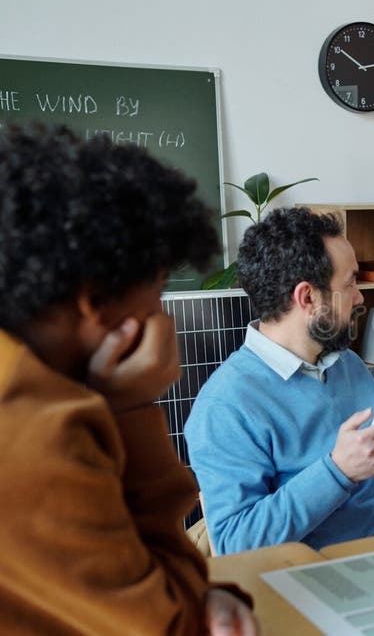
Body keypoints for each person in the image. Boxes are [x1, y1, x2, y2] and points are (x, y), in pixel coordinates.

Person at [0, 124, 257, 634]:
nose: (163, 312)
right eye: (158, 289)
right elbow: (173, 623)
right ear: (95, 302)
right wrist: (133, 408)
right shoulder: (38, 432)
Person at [185, 207, 374, 554]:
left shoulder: (348, 365)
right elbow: (235, 544)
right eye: (350, 283)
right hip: (301, 584)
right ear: (307, 298)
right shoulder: (225, 405)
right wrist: (337, 471)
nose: (360, 297)